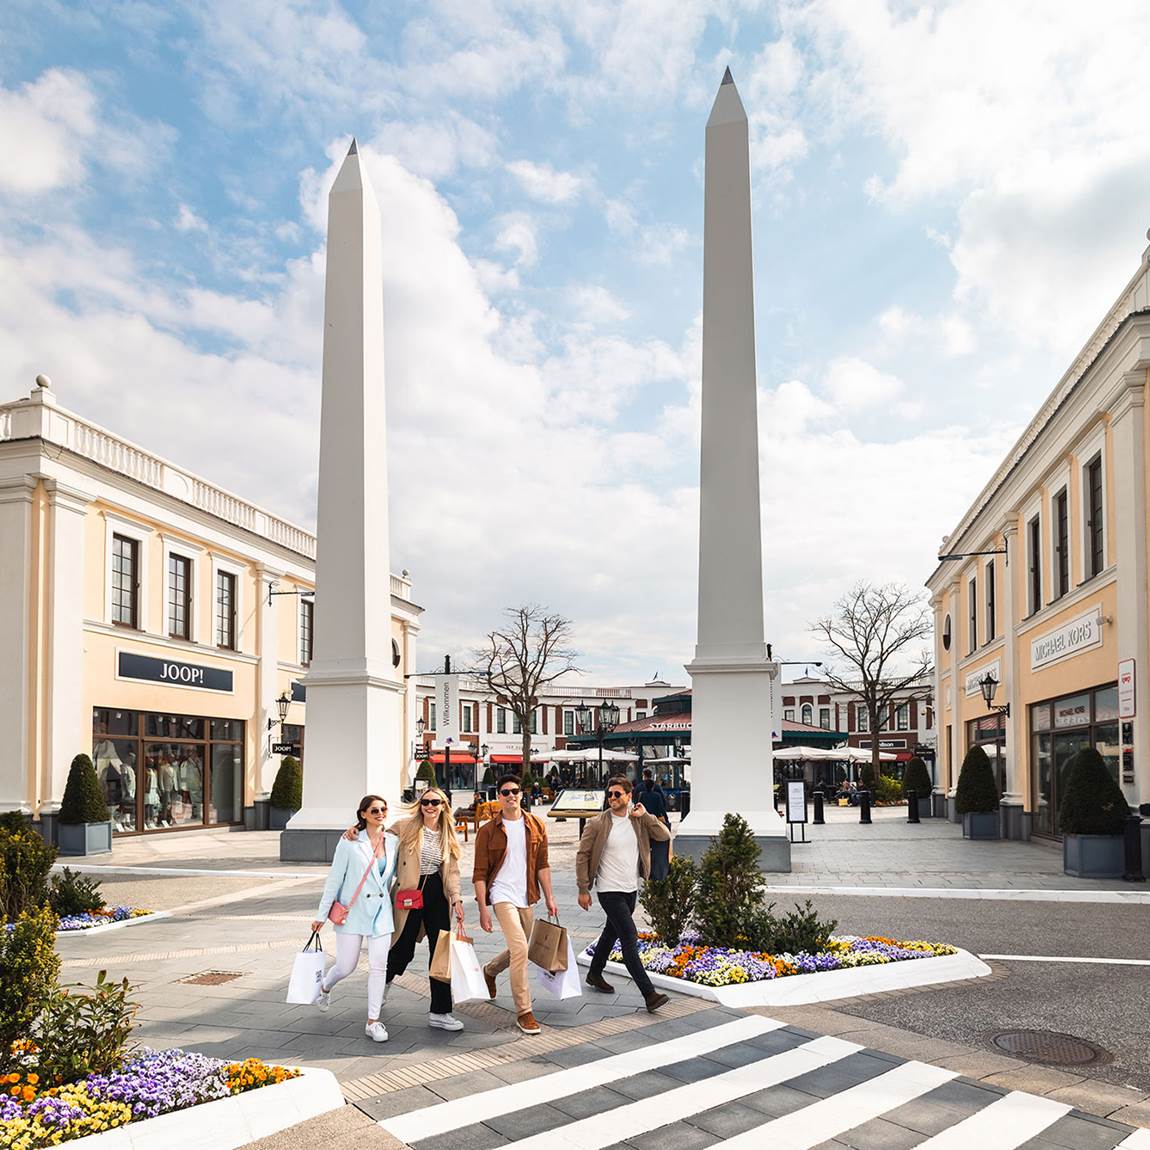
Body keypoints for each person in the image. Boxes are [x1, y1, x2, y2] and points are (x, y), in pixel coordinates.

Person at [472, 774, 558, 1035]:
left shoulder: (536, 825)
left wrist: (550, 897)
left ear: (522, 794)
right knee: (520, 947)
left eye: (515, 791)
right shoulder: (487, 831)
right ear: (498, 797)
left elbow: (543, 864)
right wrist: (483, 909)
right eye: (505, 792)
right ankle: (524, 1011)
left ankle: (490, 971)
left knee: (523, 948)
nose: (511, 795)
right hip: (501, 894)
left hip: (526, 895)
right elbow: (479, 873)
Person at [576, 775, 671, 1012]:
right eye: (609, 794)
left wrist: (646, 815)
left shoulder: (637, 820)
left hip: (630, 888)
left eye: (617, 794)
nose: (612, 798)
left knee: (611, 932)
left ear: (629, 796)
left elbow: (664, 835)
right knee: (629, 937)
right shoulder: (597, 823)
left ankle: (594, 973)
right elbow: (583, 855)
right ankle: (649, 994)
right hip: (608, 890)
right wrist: (583, 889)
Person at [310, 794, 399, 1043]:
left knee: (379, 967)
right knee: (346, 966)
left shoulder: (393, 841)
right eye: (374, 810)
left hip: (381, 913)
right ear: (363, 814)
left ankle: (373, 1021)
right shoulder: (349, 842)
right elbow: (334, 880)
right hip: (353, 912)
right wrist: (321, 915)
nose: (380, 814)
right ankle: (325, 987)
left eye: (383, 809)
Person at [382, 786, 466, 1031]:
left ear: (443, 806)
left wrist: (456, 899)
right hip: (409, 893)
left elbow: (452, 872)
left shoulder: (448, 833)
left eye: (435, 802)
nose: (430, 806)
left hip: (436, 893)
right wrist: (355, 831)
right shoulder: (406, 826)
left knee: (441, 951)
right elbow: (377, 838)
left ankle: (440, 1012)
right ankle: (382, 984)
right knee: (402, 949)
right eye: (425, 802)